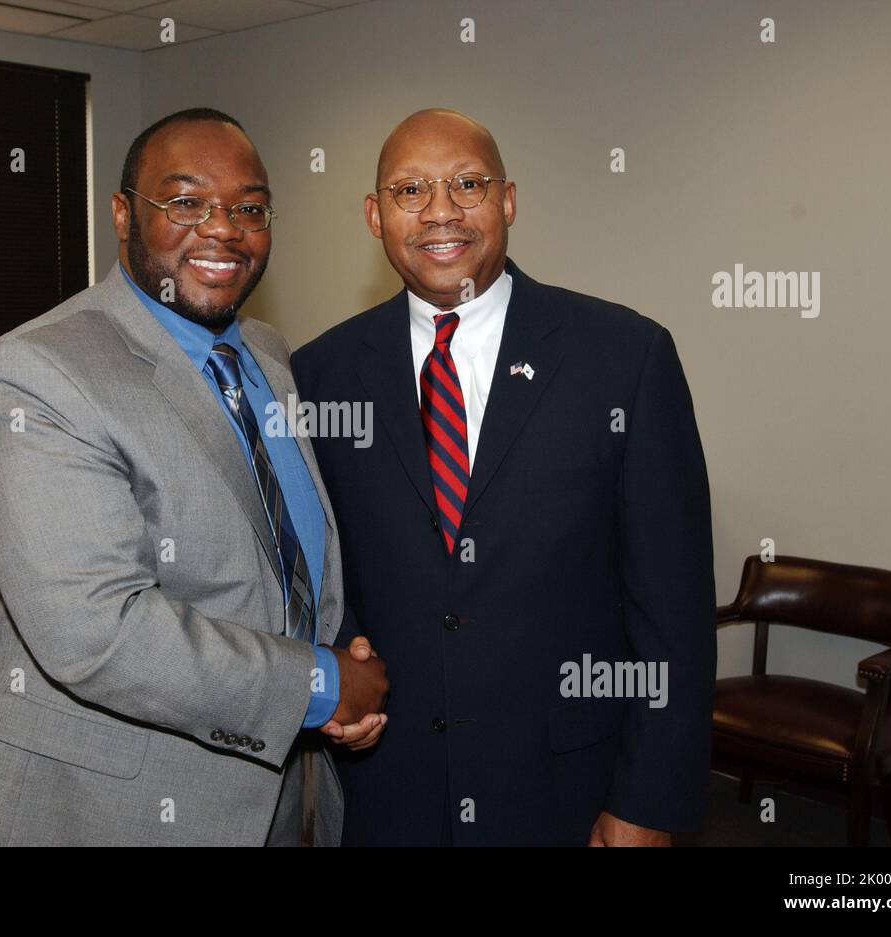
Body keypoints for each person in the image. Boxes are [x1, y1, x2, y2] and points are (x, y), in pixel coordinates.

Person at [0, 108, 387, 847]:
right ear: (122, 213)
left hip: (277, 791)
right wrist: (318, 684)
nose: (222, 228)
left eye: (248, 207)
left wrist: (337, 681)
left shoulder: (269, 355)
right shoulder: (37, 374)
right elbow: (97, 630)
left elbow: (283, 560)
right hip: (110, 809)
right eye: (184, 202)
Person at [292, 108, 716, 846]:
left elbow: (673, 609)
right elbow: (322, 568)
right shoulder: (321, 373)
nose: (441, 211)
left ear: (509, 200)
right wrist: (344, 678)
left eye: (467, 183)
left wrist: (649, 800)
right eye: (410, 190)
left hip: (568, 788)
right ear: (374, 215)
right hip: (389, 787)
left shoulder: (624, 357)